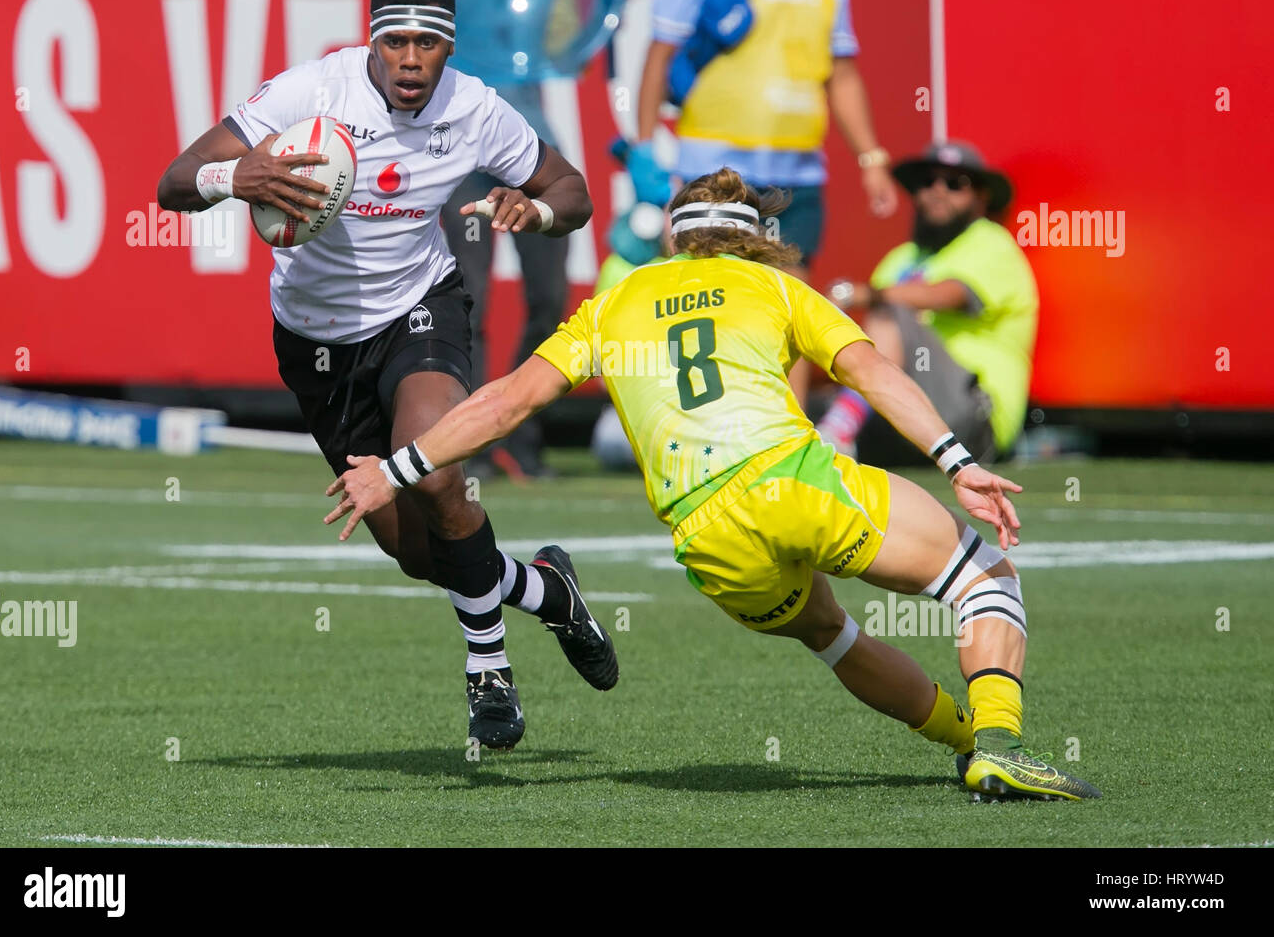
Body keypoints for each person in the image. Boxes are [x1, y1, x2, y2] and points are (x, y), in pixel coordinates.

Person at [327, 167, 1101, 802]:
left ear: (673, 236)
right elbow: (867, 366)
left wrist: (394, 469)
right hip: (789, 478)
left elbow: (502, 402)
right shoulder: (774, 286)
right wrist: (957, 461)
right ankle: (998, 741)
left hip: (707, 541)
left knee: (831, 633)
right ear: (757, 237)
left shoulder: (614, 302)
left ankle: (964, 742)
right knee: (984, 576)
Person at [156, 0, 617, 751]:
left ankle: (489, 672)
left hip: (421, 309)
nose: (411, 59)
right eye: (397, 40)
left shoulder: (471, 107)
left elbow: (572, 191)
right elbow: (172, 184)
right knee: (416, 550)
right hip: (315, 342)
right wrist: (237, 176)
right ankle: (546, 590)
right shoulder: (311, 91)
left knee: (437, 470)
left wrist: (532, 209)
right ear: (373, 41)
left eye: (428, 43)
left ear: (448, 49)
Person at [633, 0, 898, 406]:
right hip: (714, 169)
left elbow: (841, 75)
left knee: (788, 305)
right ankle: (699, 425)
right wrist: (644, 150)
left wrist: (871, 158)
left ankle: (785, 435)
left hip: (796, 172)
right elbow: (660, 57)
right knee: (701, 297)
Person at [392, 0, 583, 478]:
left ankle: (521, 438)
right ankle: (464, 446)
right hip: (463, 156)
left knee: (548, 301)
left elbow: (570, 40)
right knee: (467, 302)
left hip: (530, 144)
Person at [819, 140, 1038, 464]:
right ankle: (832, 426)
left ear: (981, 197)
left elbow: (947, 295)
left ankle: (839, 429)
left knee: (892, 311)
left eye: (954, 183)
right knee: (809, 399)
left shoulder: (991, 242)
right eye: (927, 182)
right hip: (904, 416)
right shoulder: (902, 258)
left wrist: (866, 294)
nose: (938, 191)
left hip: (974, 418)